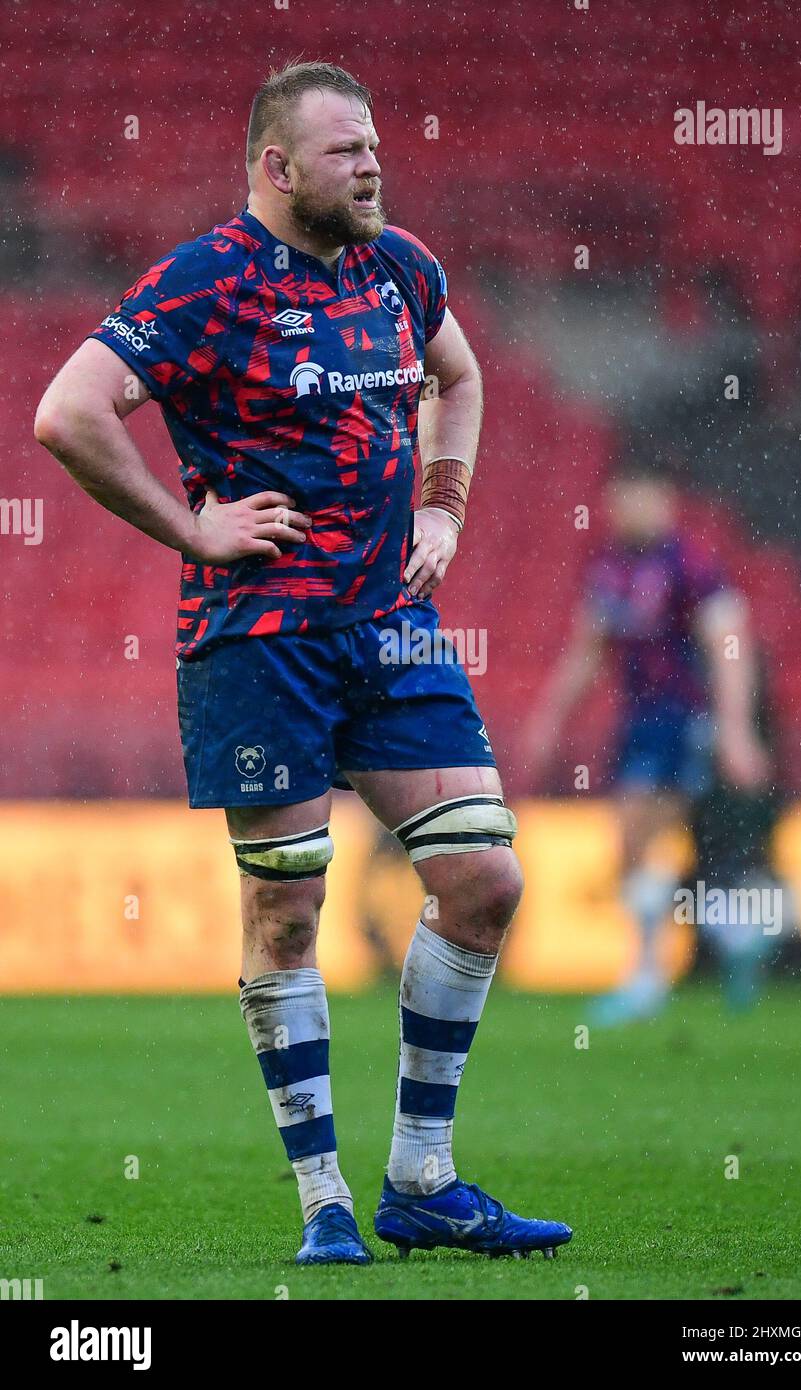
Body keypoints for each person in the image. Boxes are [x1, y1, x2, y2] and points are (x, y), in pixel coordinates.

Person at [34, 61, 572, 1266]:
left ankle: (422, 1181)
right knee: (288, 911)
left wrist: (445, 508)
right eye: (347, 152)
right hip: (258, 641)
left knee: (485, 881)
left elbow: (462, 375)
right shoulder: (206, 280)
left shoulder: (400, 268)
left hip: (389, 626)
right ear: (277, 169)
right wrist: (195, 528)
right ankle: (324, 1198)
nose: (374, 165)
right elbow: (66, 412)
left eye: (377, 145)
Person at [526, 462, 771, 1024]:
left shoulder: (690, 564)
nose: (625, 507)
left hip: (686, 720)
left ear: (664, 499)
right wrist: (551, 717)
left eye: (636, 495)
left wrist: (735, 729)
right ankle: (736, 934)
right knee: (645, 845)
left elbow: (729, 642)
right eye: (618, 497)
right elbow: (589, 648)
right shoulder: (610, 566)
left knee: (641, 836)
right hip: (639, 722)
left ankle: (648, 976)